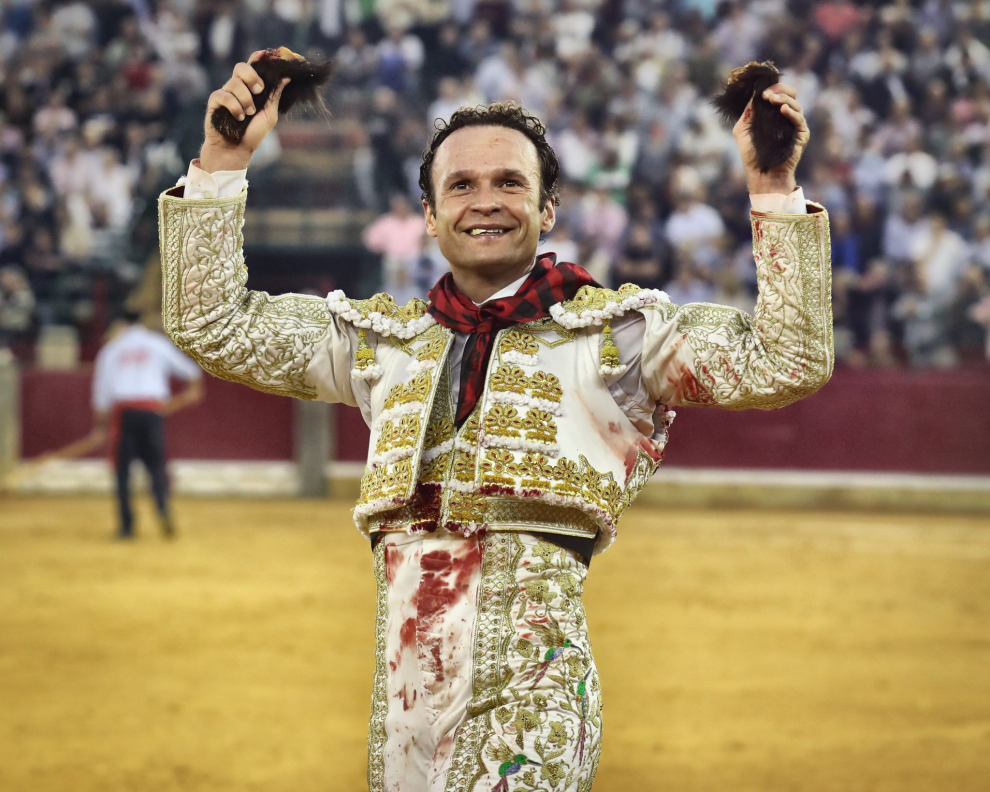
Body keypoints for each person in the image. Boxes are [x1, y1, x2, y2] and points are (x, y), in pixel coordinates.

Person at [159, 53, 831, 791]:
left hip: (532, 706)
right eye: (463, 185)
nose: (486, 201)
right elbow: (214, 326)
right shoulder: (385, 347)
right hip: (405, 715)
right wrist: (224, 160)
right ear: (429, 214)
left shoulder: (618, 340)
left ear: (546, 213)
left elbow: (788, 359)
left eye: (511, 183)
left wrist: (771, 189)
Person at [91, 308, 203, 539]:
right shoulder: (156, 344)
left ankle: (127, 527)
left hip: (124, 414)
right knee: (155, 467)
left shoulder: (111, 349)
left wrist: (101, 425)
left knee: (123, 472)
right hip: (152, 413)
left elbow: (101, 393)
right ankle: (164, 513)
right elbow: (191, 371)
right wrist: (193, 391)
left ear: (121, 323)